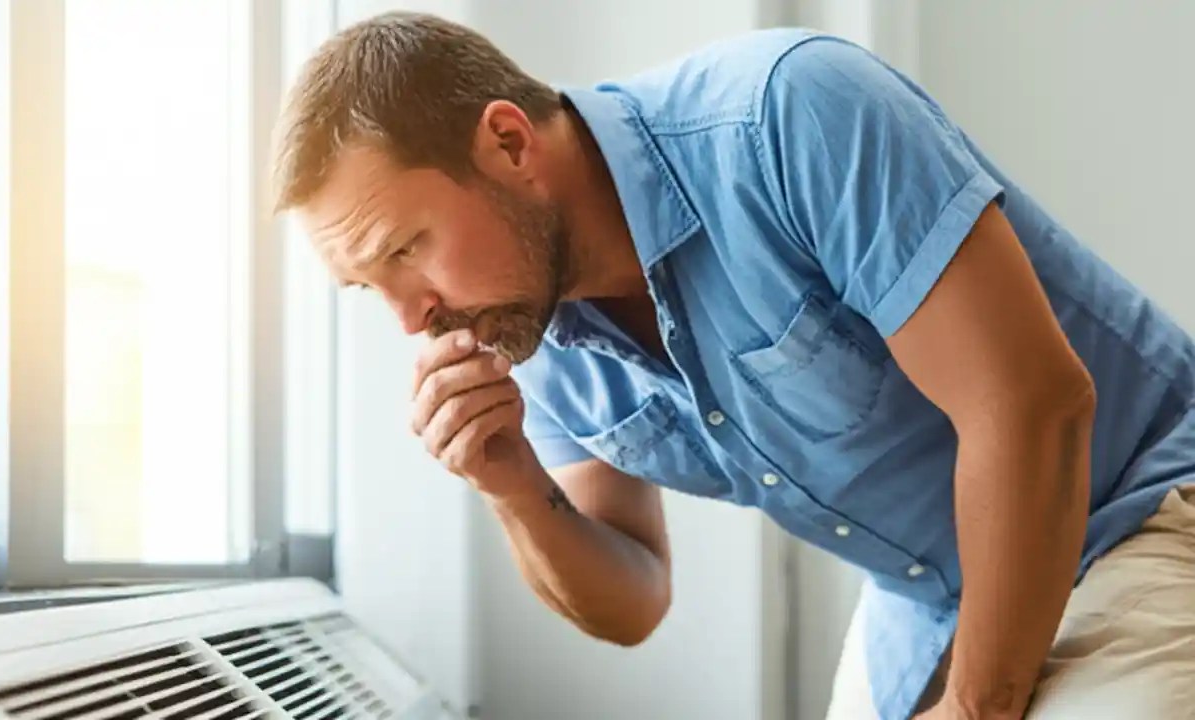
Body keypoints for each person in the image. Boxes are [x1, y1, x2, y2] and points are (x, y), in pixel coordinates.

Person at [270, 12, 1195, 720]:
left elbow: (1031, 406)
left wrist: (973, 706)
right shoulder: (529, 320)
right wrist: (512, 488)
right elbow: (633, 602)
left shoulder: (788, 113)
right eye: (368, 287)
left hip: (1139, 511)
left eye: (404, 250)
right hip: (925, 602)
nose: (409, 317)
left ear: (510, 143)